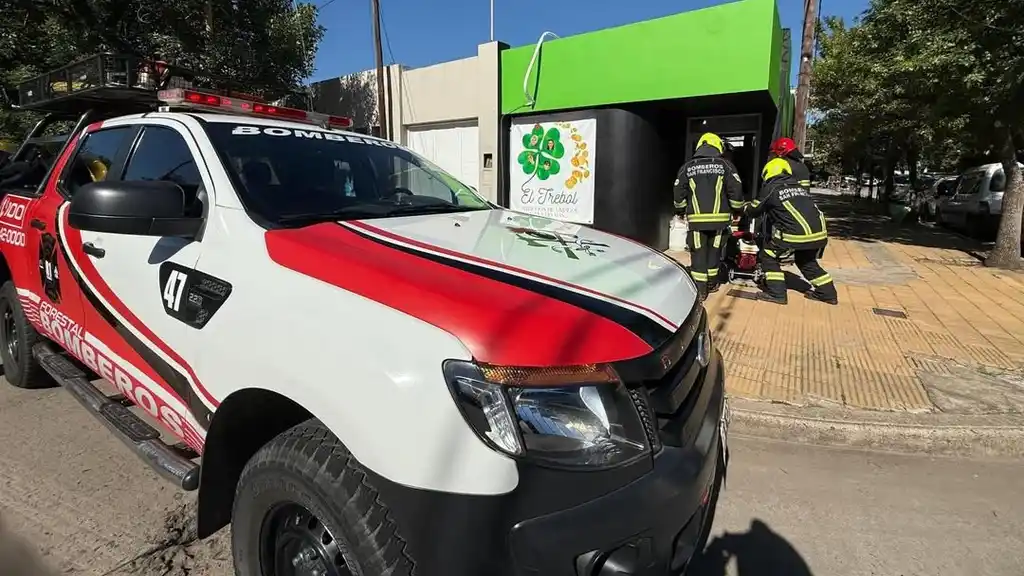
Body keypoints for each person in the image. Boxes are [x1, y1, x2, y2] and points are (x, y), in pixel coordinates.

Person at [744, 158, 837, 305]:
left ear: (767, 173)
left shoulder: (772, 188)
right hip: (819, 234)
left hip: (795, 234)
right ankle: (827, 293)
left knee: (768, 256)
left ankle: (777, 294)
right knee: (806, 261)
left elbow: (754, 210)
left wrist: (743, 208)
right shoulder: (799, 187)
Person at [673, 132, 745, 299]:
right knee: (714, 252)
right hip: (720, 221)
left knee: (698, 253)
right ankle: (712, 283)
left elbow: (678, 192)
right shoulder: (726, 166)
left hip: (697, 221)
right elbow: (735, 190)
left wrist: (680, 211)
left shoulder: (687, 167)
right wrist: (737, 210)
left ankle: (701, 291)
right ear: (718, 146)